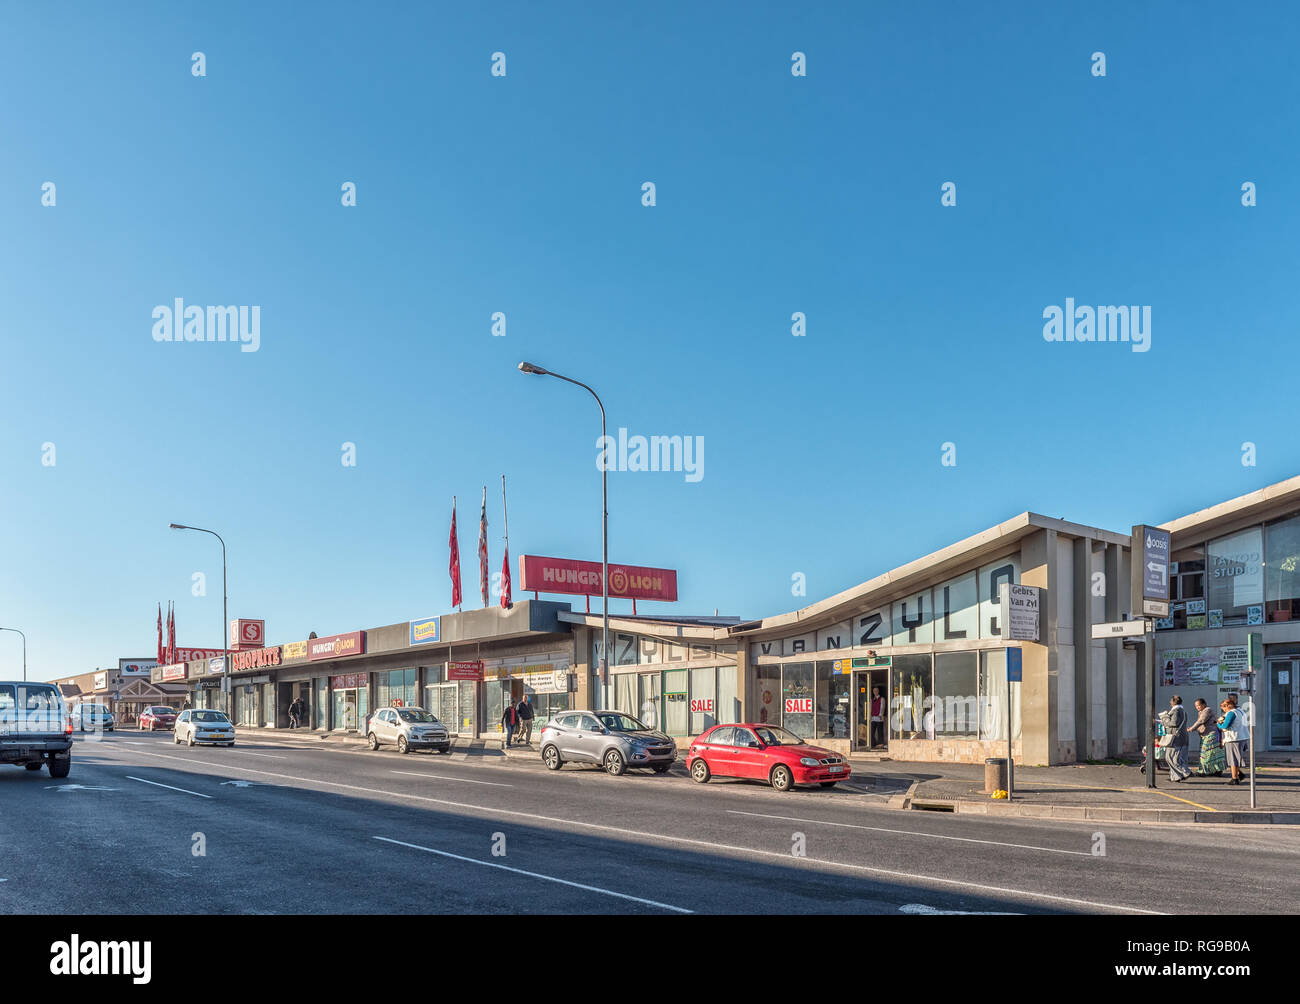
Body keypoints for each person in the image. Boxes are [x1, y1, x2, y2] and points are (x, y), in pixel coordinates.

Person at [1187, 697, 1225, 776]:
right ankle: (1215, 771)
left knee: (1207, 754)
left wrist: (1192, 728)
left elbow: (1201, 721)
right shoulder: (1202, 711)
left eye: (1199, 705)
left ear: (1204, 704)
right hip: (1206, 735)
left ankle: (1204, 771)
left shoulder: (1207, 710)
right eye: (1196, 706)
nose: (1197, 707)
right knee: (1212, 753)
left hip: (1210, 735)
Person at [1157, 695, 1190, 782]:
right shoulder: (1182, 710)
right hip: (1181, 737)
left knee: (1170, 757)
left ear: (1172, 702)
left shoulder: (1176, 710)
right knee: (1175, 757)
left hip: (1175, 738)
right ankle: (1176, 776)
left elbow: (1174, 723)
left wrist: (1164, 719)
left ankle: (1184, 772)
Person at [1218, 697, 1250, 785]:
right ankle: (1239, 774)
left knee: (1233, 759)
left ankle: (1234, 778)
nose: (1224, 710)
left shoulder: (1231, 713)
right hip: (1242, 737)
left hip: (1233, 738)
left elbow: (1225, 726)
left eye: (1224, 708)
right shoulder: (1240, 711)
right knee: (1236, 758)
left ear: (1228, 706)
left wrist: (1218, 724)